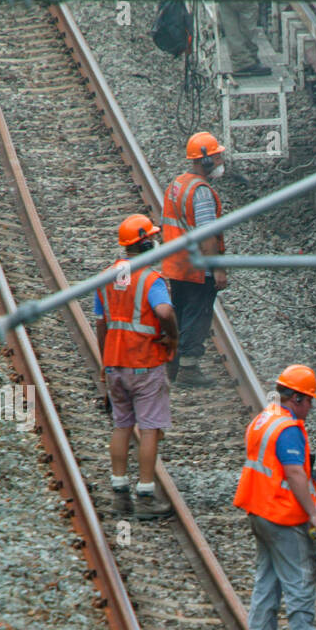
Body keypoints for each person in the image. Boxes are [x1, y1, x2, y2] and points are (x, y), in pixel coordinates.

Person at [233, 364, 316, 630]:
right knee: (300, 580)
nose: (311, 407)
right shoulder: (288, 430)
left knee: (267, 582)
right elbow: (294, 474)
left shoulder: (265, 418)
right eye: (309, 400)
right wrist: (314, 516)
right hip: (281, 514)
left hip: (259, 509)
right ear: (296, 398)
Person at [95, 216, 177, 521]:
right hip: (145, 364)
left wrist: (105, 362)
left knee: (122, 425)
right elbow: (164, 310)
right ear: (145, 244)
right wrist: (172, 333)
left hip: (115, 363)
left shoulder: (106, 277)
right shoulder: (150, 279)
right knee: (150, 428)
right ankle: (145, 495)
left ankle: (119, 494)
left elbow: (101, 323)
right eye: (153, 239)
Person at [161, 131, 228, 389]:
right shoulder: (201, 192)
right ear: (206, 161)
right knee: (197, 315)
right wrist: (218, 269)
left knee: (179, 312)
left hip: (176, 264)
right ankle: (188, 368)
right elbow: (208, 237)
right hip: (197, 268)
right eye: (217, 157)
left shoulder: (178, 183)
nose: (221, 162)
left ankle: (173, 363)